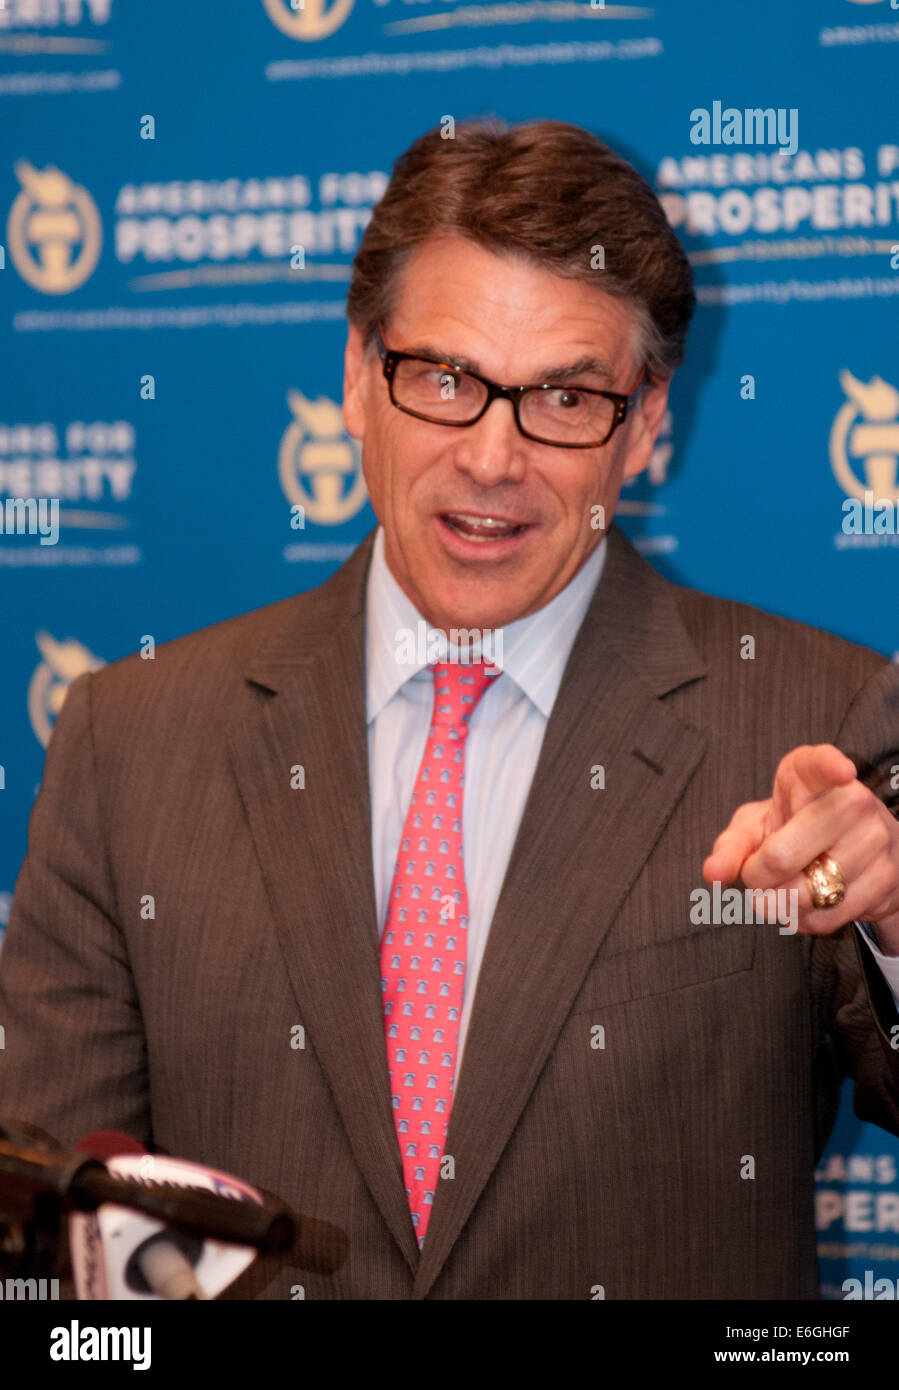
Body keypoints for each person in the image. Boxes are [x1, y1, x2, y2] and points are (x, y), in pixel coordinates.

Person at [2, 118, 898, 1300]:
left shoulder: (817, 720)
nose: (489, 457)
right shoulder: (131, 739)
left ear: (644, 424)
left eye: (566, 397)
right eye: (442, 378)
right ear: (354, 379)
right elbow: (55, 1233)